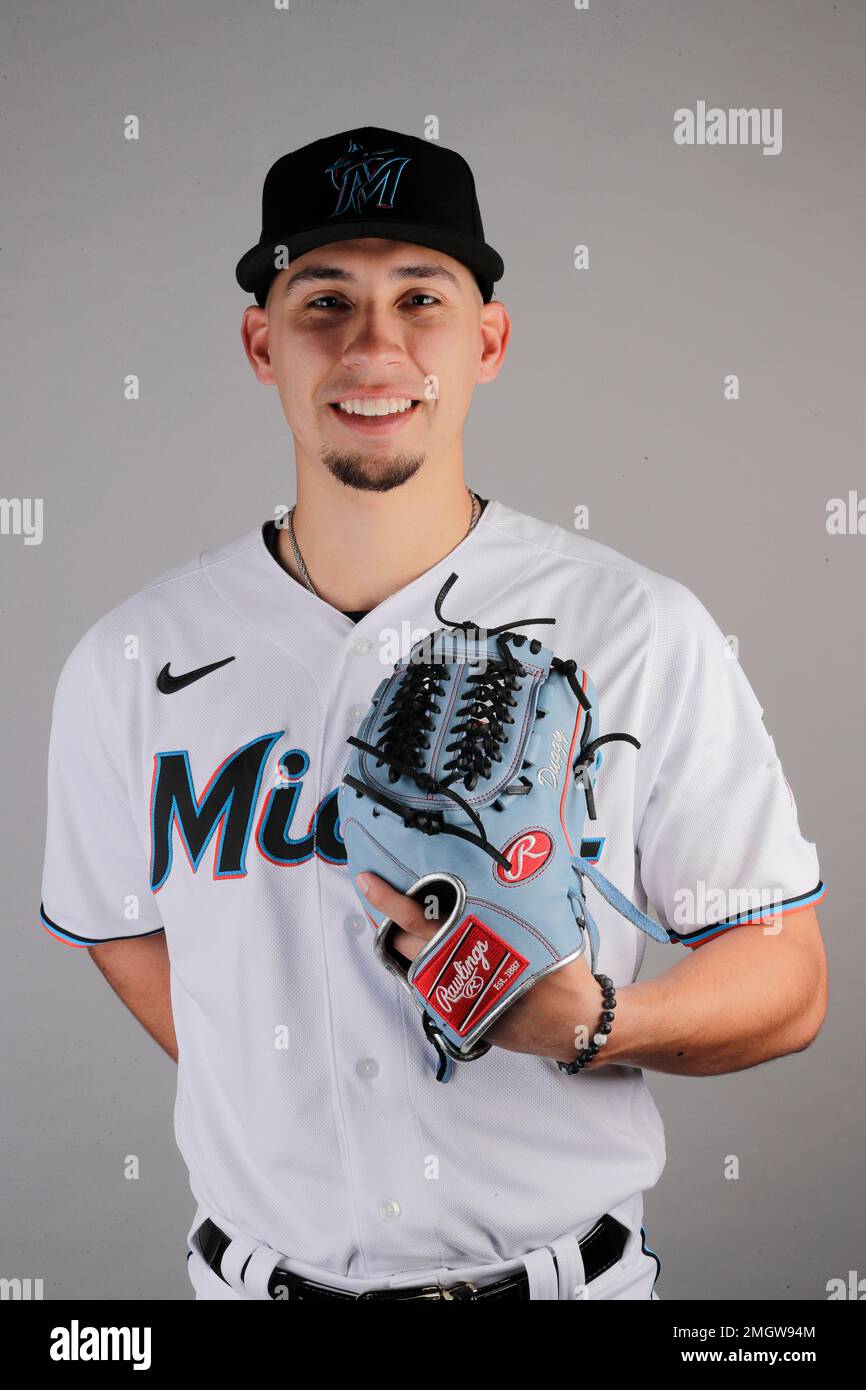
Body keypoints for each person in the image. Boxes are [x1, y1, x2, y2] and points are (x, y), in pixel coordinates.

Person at [38, 126, 828, 1301]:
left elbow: (786, 975)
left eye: (421, 297)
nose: (373, 345)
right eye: (323, 301)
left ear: (487, 341)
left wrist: (590, 1020)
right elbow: (117, 922)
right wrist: (271, 1077)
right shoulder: (129, 660)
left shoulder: (634, 627)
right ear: (261, 343)